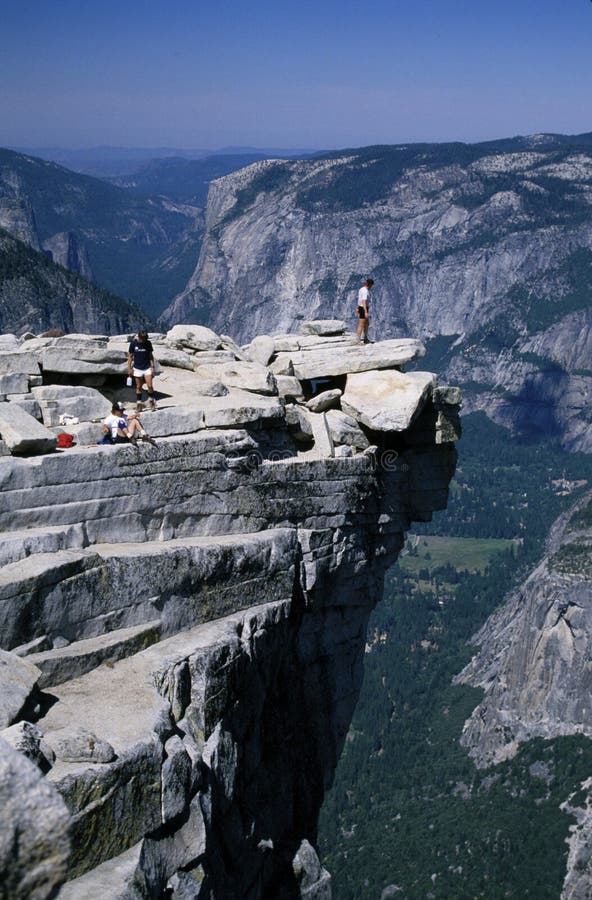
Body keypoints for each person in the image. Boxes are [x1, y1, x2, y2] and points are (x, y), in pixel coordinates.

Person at [128, 330, 156, 411]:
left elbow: (150, 355)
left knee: (149, 386)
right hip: (137, 368)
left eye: (145, 339)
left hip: (147, 367)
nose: (143, 341)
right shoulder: (133, 343)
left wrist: (152, 366)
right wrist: (129, 368)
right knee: (138, 386)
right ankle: (139, 404)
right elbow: (130, 356)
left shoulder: (148, 343)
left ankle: (151, 401)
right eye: (142, 339)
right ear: (139, 337)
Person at [356, 278, 374, 344]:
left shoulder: (361, 289)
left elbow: (359, 299)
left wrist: (357, 308)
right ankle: (357, 340)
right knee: (361, 324)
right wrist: (366, 312)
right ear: (370, 284)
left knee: (367, 323)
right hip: (364, 308)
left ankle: (365, 338)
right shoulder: (365, 291)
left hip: (361, 308)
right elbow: (363, 301)